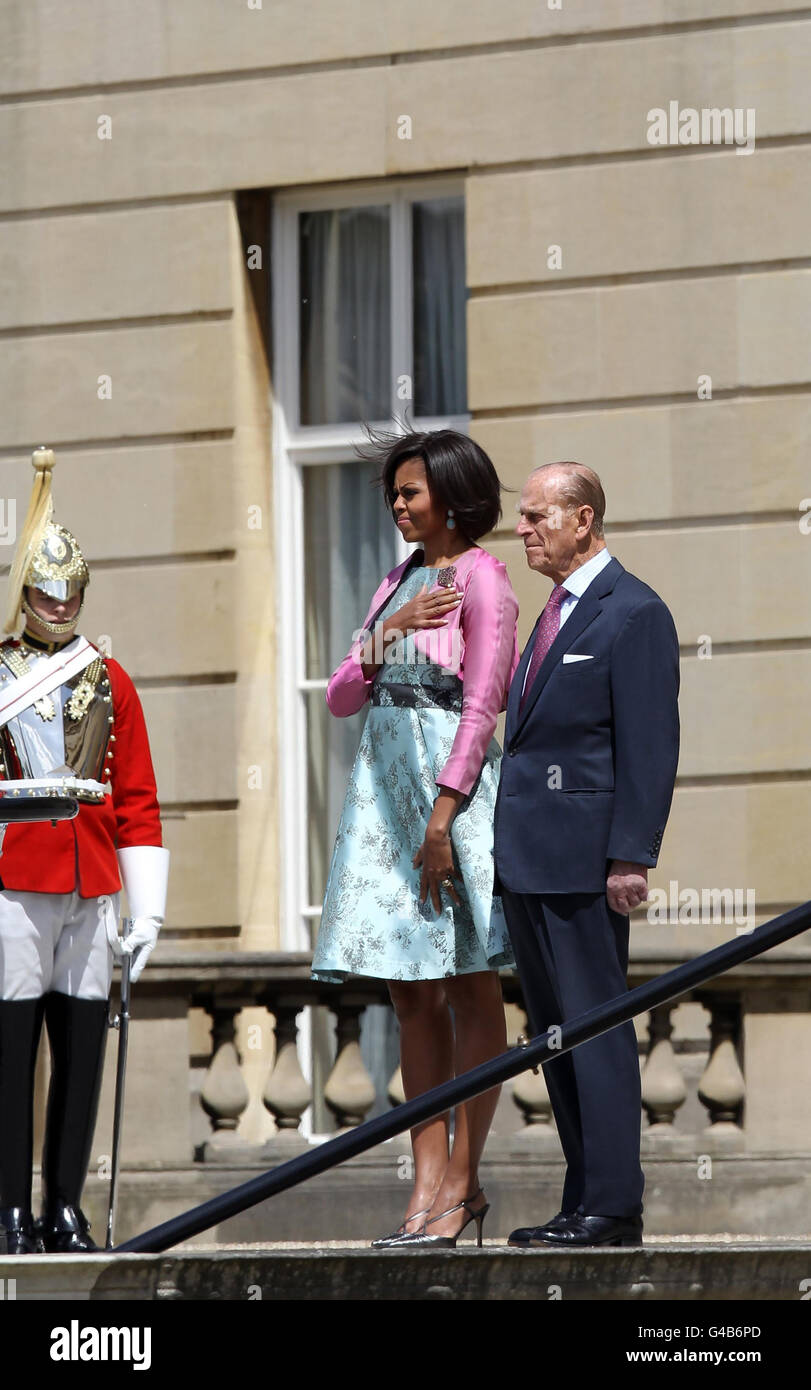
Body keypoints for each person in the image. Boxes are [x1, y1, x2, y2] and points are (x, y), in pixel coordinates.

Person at [312, 428, 520, 1248]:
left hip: (451, 801)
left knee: (470, 983)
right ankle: (424, 1182)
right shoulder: (394, 584)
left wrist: (444, 816)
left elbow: (481, 706)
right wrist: (385, 632)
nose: (398, 504)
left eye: (411, 492)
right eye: (394, 493)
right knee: (408, 991)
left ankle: (461, 1182)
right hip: (381, 799)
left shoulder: (486, 579)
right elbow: (338, 697)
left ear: (453, 494)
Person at [494, 461, 679, 1248]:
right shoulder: (552, 614)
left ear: (583, 519)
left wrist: (630, 855)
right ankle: (581, 1199)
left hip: (586, 863)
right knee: (554, 1038)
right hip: (528, 861)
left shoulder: (631, 612)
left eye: (536, 515)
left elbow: (648, 744)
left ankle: (612, 1204)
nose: (522, 528)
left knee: (598, 1031)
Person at [0, 448, 169, 1254]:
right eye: (45, 591)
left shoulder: (111, 679)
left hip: (92, 881)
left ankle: (62, 1202)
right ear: (21, 591)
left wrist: (151, 906)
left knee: (80, 1045)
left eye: (72, 592)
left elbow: (136, 797)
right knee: (8, 1047)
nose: (60, 605)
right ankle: (6, 1204)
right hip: (12, 877)